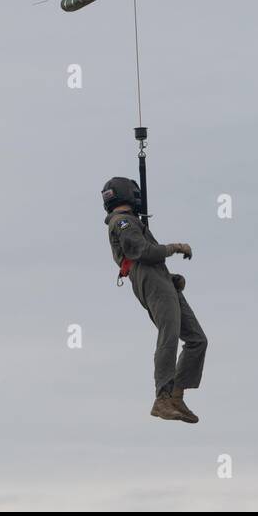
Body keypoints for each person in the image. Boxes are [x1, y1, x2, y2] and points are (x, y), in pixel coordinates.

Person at [101, 177, 207, 423]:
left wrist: (170, 277)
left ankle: (176, 395)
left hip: (160, 279)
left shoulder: (131, 221)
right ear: (128, 194)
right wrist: (175, 247)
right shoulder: (123, 222)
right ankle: (162, 399)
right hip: (149, 280)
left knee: (197, 339)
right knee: (168, 335)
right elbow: (143, 252)